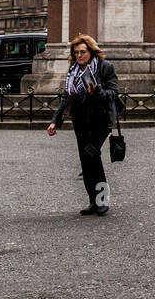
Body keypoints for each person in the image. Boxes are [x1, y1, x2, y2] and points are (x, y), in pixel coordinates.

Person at [47, 33, 119, 216]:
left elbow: (113, 93)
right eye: (76, 52)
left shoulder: (104, 67)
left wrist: (98, 91)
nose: (79, 56)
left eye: (83, 52)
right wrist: (56, 121)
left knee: (93, 157)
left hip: (100, 119)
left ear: (92, 52)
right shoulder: (73, 70)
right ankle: (93, 202)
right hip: (80, 119)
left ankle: (103, 201)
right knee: (86, 161)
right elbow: (66, 97)